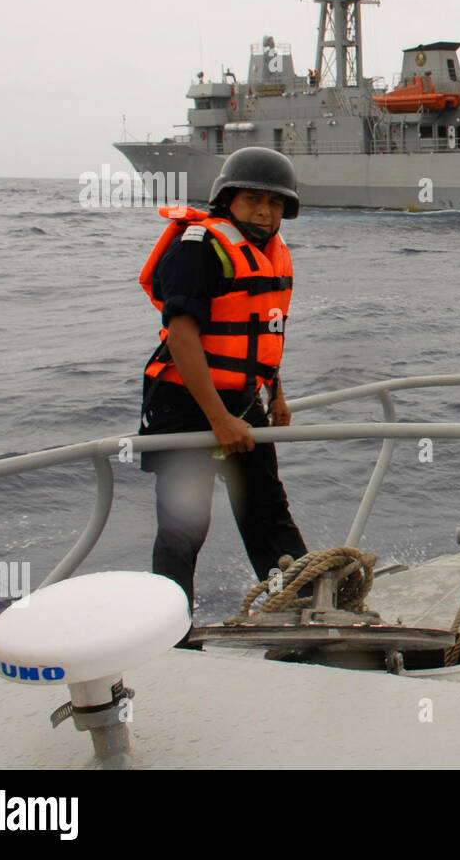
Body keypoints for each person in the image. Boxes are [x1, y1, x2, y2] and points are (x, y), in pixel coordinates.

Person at [138, 147, 308, 630]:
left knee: (267, 513)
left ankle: (298, 609)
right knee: (184, 528)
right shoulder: (200, 246)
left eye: (275, 204)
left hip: (241, 403)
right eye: (253, 199)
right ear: (228, 199)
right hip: (185, 407)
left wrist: (275, 393)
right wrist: (217, 420)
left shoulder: (268, 251)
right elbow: (183, 335)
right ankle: (171, 632)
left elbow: (266, 327)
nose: (264, 211)